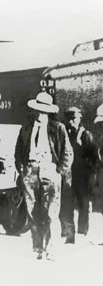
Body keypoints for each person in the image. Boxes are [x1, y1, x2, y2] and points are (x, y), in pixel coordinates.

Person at [14, 91, 72, 260]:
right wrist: (22, 168)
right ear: (35, 110)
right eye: (38, 110)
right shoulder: (26, 128)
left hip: (50, 171)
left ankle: (50, 248)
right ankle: (37, 248)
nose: (41, 114)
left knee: (50, 212)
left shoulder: (58, 128)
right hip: (30, 171)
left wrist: (59, 171)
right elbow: (18, 151)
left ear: (49, 112)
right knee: (32, 211)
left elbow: (68, 152)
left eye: (44, 111)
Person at [60, 106, 96, 243]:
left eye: (74, 119)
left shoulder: (85, 135)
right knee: (66, 203)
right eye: (69, 119)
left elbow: (93, 157)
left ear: (79, 119)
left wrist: (91, 176)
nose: (71, 122)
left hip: (82, 175)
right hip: (68, 174)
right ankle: (68, 232)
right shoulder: (63, 134)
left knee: (83, 204)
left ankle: (82, 231)